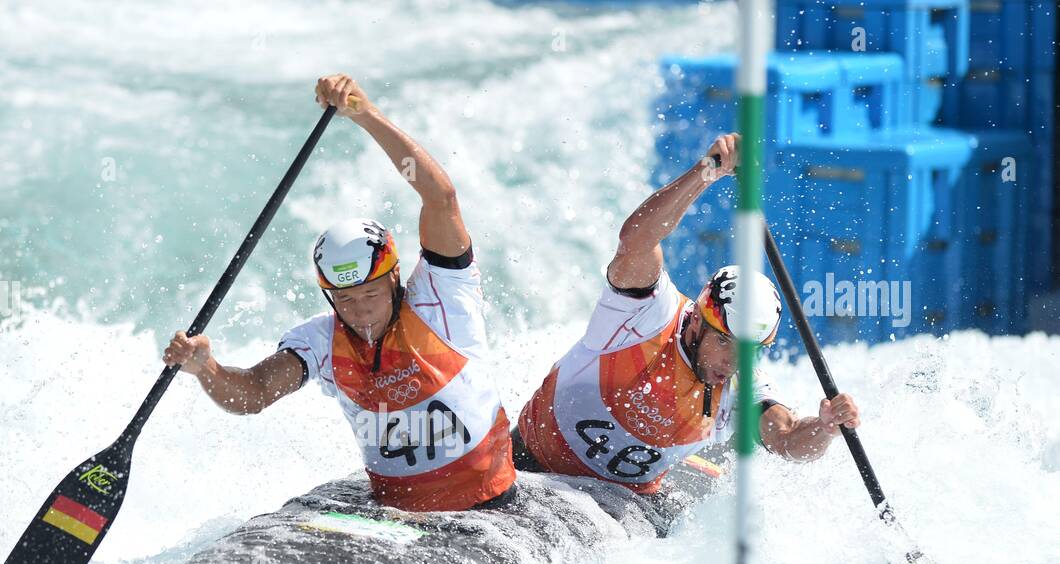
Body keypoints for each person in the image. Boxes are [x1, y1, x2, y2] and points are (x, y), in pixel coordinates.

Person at [164, 74, 516, 511]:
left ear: (393, 278)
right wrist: (206, 368)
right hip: (393, 512)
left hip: (487, 503)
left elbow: (439, 197)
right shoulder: (320, 341)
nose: (360, 311)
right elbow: (253, 394)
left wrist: (364, 115)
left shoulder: (441, 297)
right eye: (344, 299)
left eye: (369, 293)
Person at [511, 132, 861, 494]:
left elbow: (788, 440)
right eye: (724, 342)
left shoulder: (741, 385)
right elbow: (637, 242)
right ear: (696, 320)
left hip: (621, 501)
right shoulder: (647, 316)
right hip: (531, 462)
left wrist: (826, 427)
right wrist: (706, 172)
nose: (732, 362)